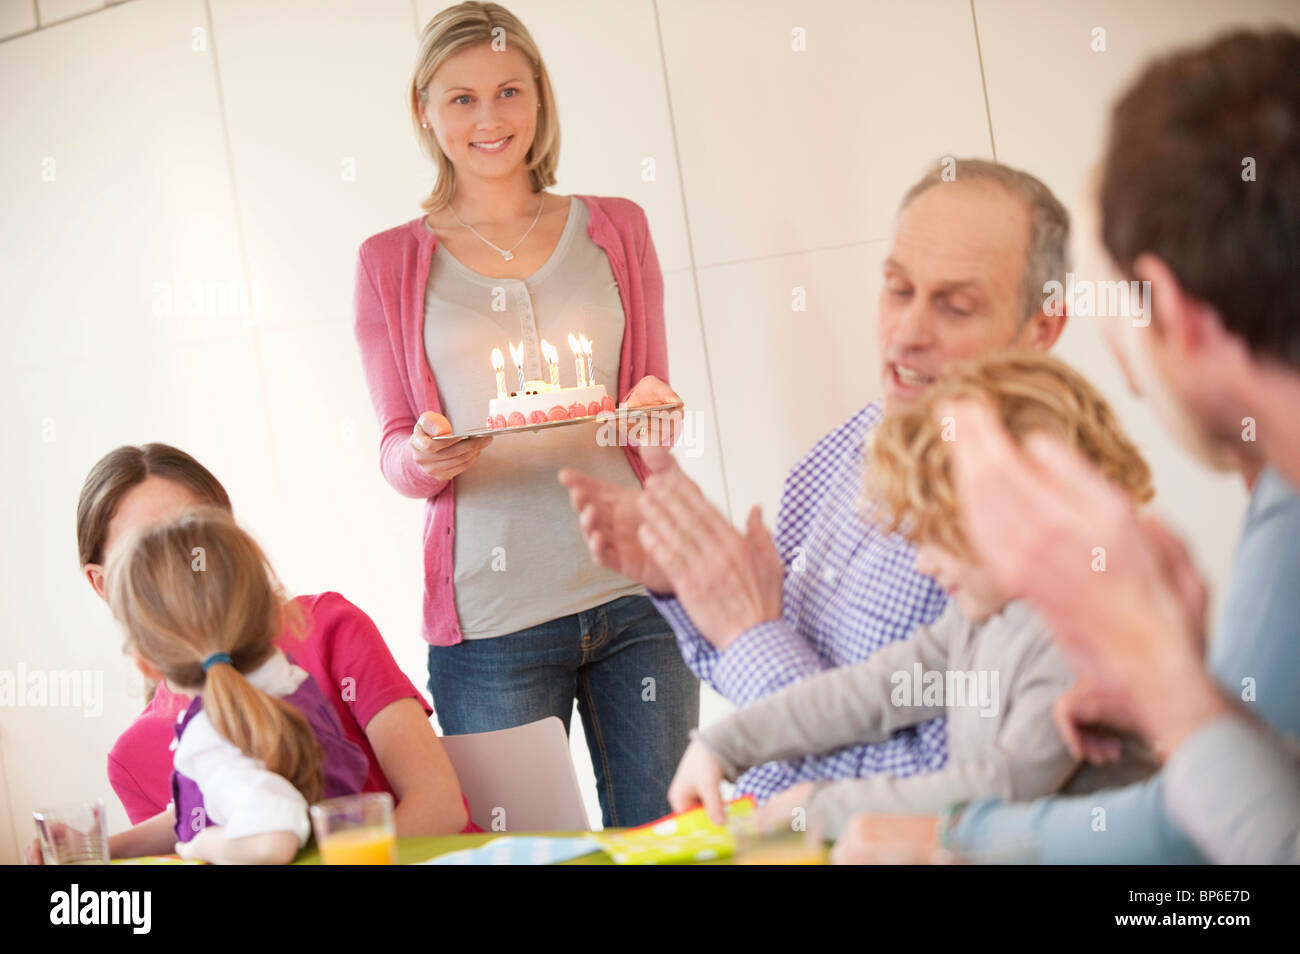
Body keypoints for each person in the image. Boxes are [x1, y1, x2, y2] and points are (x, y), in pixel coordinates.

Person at [831, 28, 1300, 865]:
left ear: (1170, 308)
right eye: (898, 288)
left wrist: (1169, 686)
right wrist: (1181, 706)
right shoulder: (1279, 504)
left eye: (1117, 307)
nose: (1120, 368)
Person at [562, 158, 1071, 801]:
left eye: (957, 306)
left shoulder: (1033, 527)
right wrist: (690, 582)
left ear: (1041, 327)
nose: (907, 334)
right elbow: (768, 673)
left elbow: (942, 802)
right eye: (899, 289)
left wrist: (749, 634)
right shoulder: (839, 452)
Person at [353, 1, 694, 826]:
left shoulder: (618, 226)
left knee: (670, 844)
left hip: (638, 593)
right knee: (527, 854)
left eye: (509, 90)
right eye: (461, 98)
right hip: (492, 622)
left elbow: (651, 397)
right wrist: (425, 456)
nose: (489, 117)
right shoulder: (388, 261)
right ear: (424, 111)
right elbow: (397, 448)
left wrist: (655, 410)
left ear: (539, 96)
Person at [665, 352, 1153, 839]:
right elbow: (872, 691)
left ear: (1018, 512)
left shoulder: (1080, 636)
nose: (923, 563)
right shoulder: (977, 620)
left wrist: (824, 806)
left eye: (936, 535)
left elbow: (1006, 786)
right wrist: (725, 744)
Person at [78, 444, 471, 840]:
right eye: (146, 551)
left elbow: (439, 806)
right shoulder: (132, 760)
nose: (184, 567)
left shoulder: (328, 627)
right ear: (103, 584)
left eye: (197, 533)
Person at [109, 508, 367, 864]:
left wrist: (198, 845)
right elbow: (226, 793)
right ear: (279, 614)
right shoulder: (286, 685)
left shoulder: (214, 737)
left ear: (146, 664)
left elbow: (271, 843)